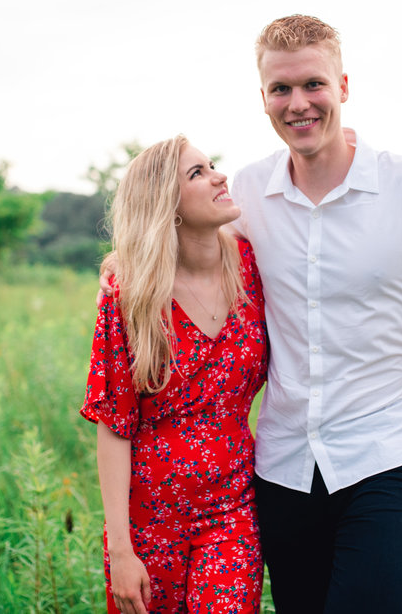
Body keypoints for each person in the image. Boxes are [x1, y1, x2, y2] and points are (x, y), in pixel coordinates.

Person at [228, 14, 402, 613]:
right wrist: (117, 274)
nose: (299, 104)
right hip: (283, 465)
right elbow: (182, 262)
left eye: (313, 85)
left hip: (385, 456)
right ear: (264, 98)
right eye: (281, 89)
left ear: (343, 86)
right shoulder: (244, 193)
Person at [81, 135, 270, 613]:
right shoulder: (131, 297)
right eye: (197, 173)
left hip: (233, 509)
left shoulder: (256, 270)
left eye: (211, 166)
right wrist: (120, 551)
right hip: (147, 520)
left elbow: (315, 331)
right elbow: (114, 427)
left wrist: (386, 369)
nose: (219, 177)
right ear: (168, 205)